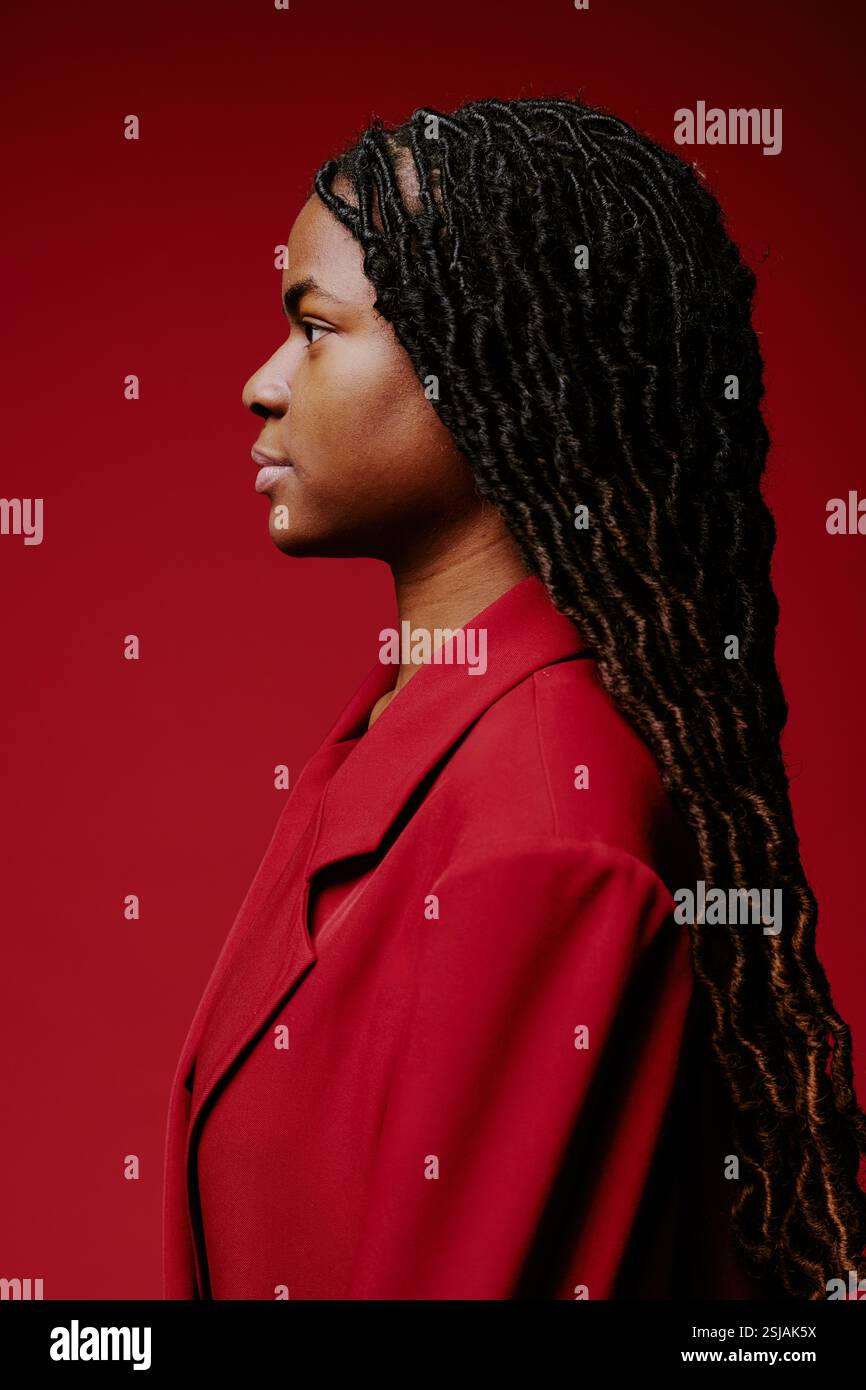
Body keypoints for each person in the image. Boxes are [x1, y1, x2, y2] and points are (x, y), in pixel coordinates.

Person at [162, 95, 866, 1301]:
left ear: (481, 361)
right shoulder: (398, 745)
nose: (261, 384)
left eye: (316, 329)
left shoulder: (540, 837)